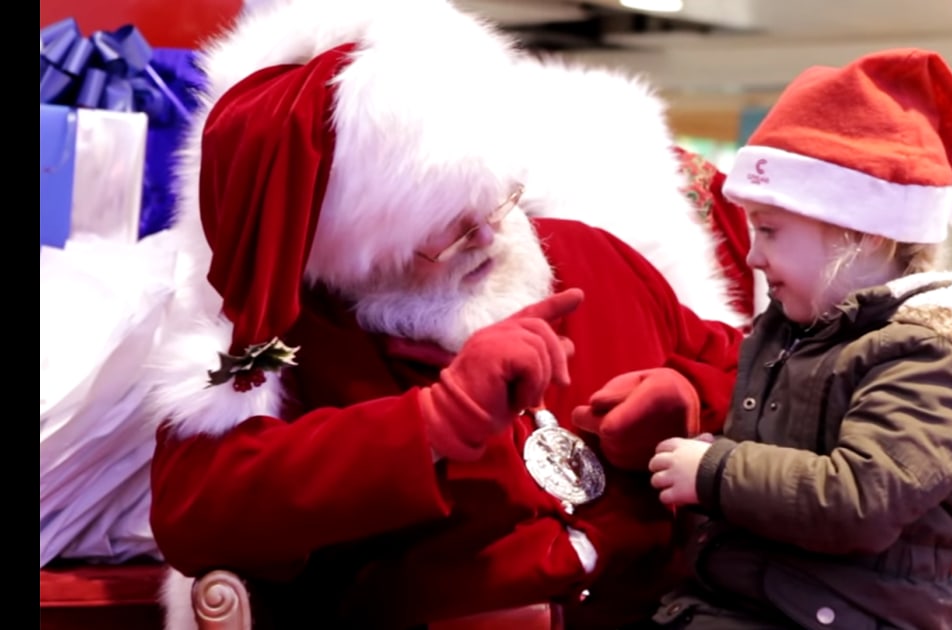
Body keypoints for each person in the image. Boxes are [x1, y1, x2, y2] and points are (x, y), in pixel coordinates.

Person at [143, 0, 748, 628]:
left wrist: (690, 394)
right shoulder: (291, 342)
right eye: (447, 233)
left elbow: (754, 373)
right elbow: (196, 514)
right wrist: (430, 423)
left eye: (495, 202)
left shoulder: (596, 258)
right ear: (358, 254)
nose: (489, 238)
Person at [646, 48, 952, 630]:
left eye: (771, 231)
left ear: (859, 236)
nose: (753, 255)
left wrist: (715, 471)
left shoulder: (929, 355)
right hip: (755, 601)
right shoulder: (797, 331)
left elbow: (861, 499)